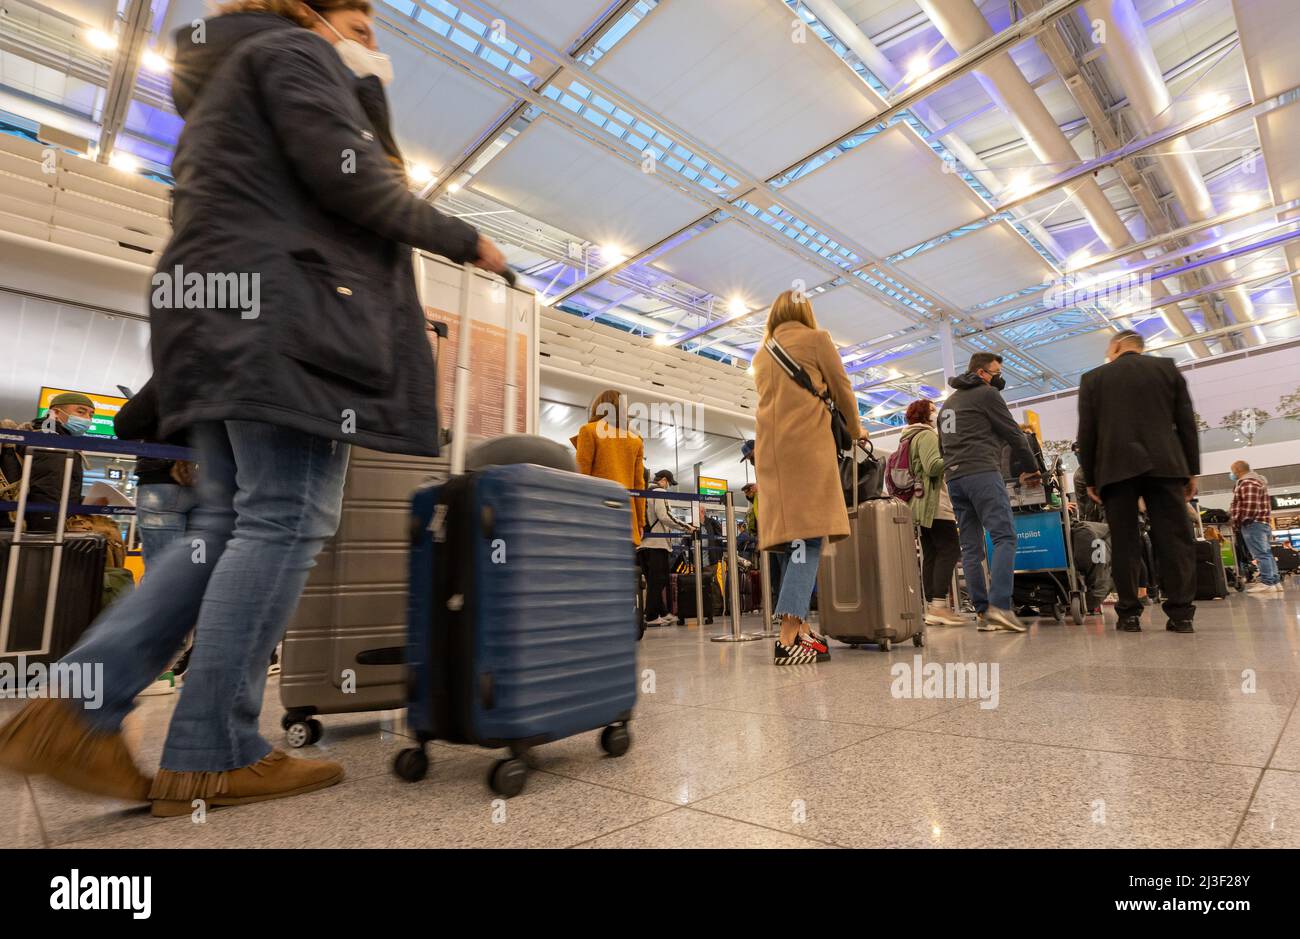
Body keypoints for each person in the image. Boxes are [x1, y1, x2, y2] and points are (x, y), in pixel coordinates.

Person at [0, 0, 509, 815]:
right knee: (286, 515)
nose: (374, 48)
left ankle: (77, 707)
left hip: (217, 324)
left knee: (225, 526)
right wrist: (462, 236)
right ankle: (213, 747)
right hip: (289, 325)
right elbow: (352, 178)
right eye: (363, 27)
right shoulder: (293, 55)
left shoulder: (223, 78)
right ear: (314, 12)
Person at [753, 290, 864, 665]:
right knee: (809, 539)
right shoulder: (817, 340)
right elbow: (842, 387)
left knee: (791, 540)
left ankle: (801, 632)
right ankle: (787, 636)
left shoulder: (762, 352)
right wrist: (856, 428)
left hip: (771, 456)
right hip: (806, 451)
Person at [1076, 329, 1199, 633]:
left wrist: (1090, 477)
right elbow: (1186, 422)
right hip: (1166, 466)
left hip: (1116, 469)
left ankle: (1129, 614)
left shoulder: (1094, 378)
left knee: (1125, 541)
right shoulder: (1167, 369)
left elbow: (1087, 433)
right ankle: (1181, 614)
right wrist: (1190, 469)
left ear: (1117, 346)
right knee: (1174, 539)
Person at [938, 353, 1040, 632]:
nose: (999, 377)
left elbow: (941, 448)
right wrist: (1031, 467)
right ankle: (1000, 607)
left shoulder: (946, 405)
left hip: (955, 478)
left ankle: (983, 613)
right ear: (982, 373)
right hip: (981, 473)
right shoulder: (987, 394)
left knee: (971, 548)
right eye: (996, 372)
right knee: (1004, 536)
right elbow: (1014, 434)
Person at [898, 399, 965, 627]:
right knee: (950, 548)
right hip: (934, 504)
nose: (937, 413)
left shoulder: (908, 437)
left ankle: (933, 607)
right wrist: (953, 455)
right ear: (926, 414)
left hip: (917, 504)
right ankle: (938, 606)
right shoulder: (926, 435)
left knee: (932, 553)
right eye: (933, 409)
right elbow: (932, 466)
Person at [0, 392, 94, 533]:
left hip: (26, 523)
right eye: (81, 412)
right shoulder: (50, 440)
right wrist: (50, 532)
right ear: (55, 412)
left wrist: (87, 502)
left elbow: (59, 488)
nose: (87, 419)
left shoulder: (54, 439)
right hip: (40, 528)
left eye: (91, 415)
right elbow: (47, 489)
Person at [572, 389, 646, 548]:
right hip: (626, 518)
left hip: (595, 517)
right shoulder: (635, 441)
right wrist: (640, 522)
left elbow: (580, 477)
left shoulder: (589, 431)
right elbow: (639, 485)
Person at [642, 469, 695, 626]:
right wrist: (687, 527)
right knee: (659, 581)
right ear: (664, 480)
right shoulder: (659, 491)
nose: (668, 487)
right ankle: (651, 616)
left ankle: (663, 612)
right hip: (657, 544)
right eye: (669, 484)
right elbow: (665, 516)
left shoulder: (644, 491)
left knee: (653, 582)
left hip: (643, 544)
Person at [1229, 460, 1282, 596]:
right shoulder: (1257, 482)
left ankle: (1267, 582)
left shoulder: (1247, 483)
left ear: (1237, 470)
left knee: (1260, 554)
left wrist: (1241, 521)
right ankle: (1275, 582)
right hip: (1261, 522)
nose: (1232, 474)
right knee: (1267, 553)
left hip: (1253, 524)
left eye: (1232, 471)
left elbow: (1250, 506)